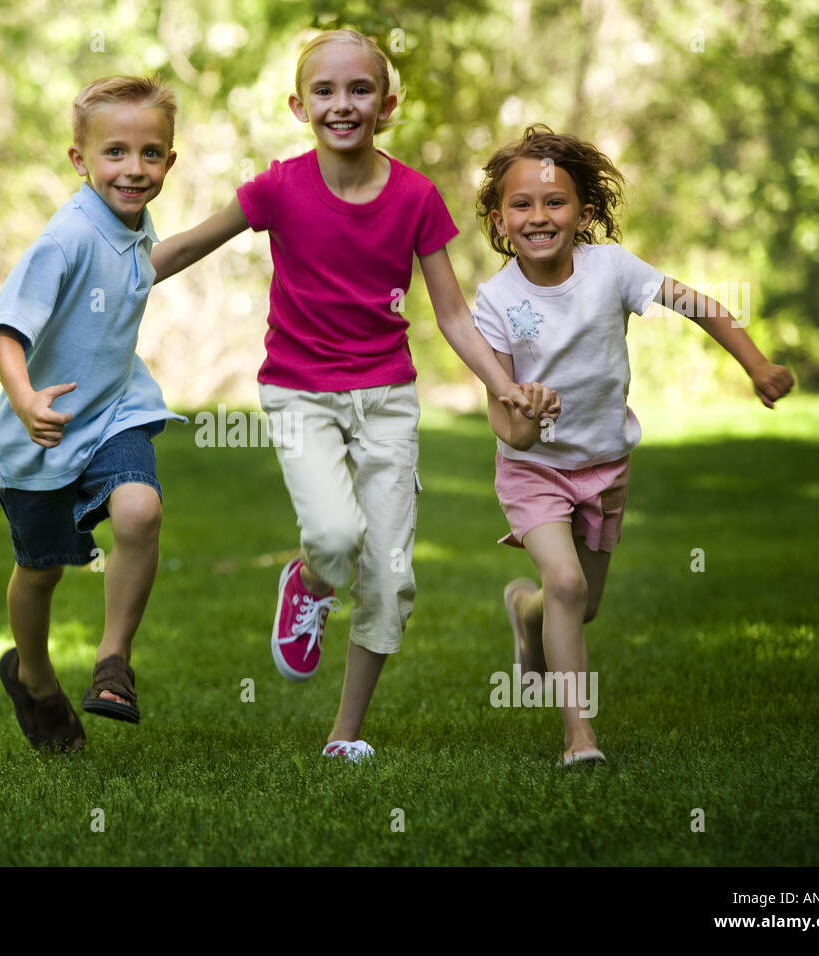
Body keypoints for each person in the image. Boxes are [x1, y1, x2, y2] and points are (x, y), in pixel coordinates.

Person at [152, 30, 555, 762]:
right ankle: (306, 582)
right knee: (336, 537)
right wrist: (99, 284)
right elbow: (185, 246)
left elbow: (454, 315)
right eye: (326, 91)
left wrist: (503, 386)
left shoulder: (414, 197)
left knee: (392, 576)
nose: (343, 105)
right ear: (299, 105)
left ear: (387, 104)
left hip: (387, 400)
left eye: (360, 90)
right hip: (299, 393)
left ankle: (345, 734)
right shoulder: (278, 187)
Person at [472, 124, 795, 766]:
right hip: (535, 468)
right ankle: (579, 737)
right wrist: (529, 415)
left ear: (584, 213)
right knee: (565, 583)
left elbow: (700, 306)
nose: (539, 216)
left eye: (555, 202)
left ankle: (525, 614)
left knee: (581, 605)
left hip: (605, 466)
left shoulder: (612, 269)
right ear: (499, 218)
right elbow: (505, 429)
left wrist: (756, 366)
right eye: (522, 204)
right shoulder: (494, 302)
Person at [0, 76, 185, 752]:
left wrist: (244, 215)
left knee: (141, 512)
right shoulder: (64, 239)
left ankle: (112, 663)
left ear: (170, 163)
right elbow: (5, 330)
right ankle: (33, 679)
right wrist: (26, 398)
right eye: (115, 152)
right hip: (45, 433)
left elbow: (149, 266)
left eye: (151, 154)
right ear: (79, 159)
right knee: (42, 571)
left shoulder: (128, 225)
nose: (134, 168)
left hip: (116, 410)